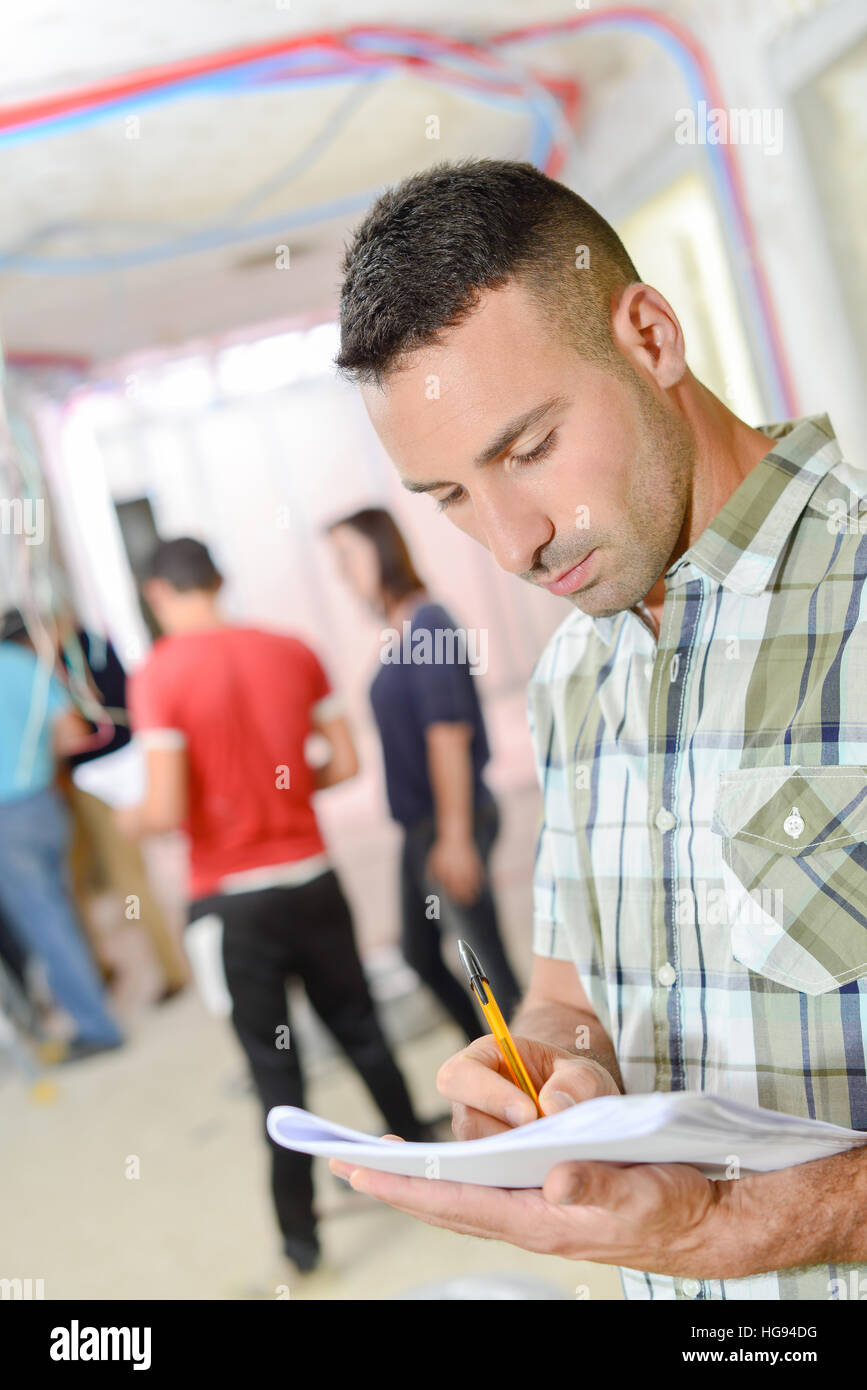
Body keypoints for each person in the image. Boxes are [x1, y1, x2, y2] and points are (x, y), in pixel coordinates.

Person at [326, 158, 867, 1300]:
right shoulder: (579, 672)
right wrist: (545, 1080)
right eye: (451, 499)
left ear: (651, 336)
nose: (511, 540)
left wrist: (752, 1224)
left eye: (525, 450)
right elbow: (572, 999)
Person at [119, 537, 433, 1274]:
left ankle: (301, 1241)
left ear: (158, 594)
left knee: (275, 1072)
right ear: (219, 579)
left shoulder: (158, 675)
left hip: (232, 905)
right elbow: (344, 762)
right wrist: (281, 791)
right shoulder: (291, 649)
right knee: (360, 1028)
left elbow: (163, 808)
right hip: (314, 879)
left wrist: (126, 819)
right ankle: (421, 1168)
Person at [327, 507, 521, 1041]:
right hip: (419, 827)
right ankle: (486, 1060)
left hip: (450, 820)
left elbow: (448, 733)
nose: (341, 570)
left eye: (348, 555)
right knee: (419, 953)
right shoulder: (404, 628)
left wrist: (456, 837)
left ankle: (530, 1084)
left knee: (487, 968)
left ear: (381, 549)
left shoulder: (429, 621)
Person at [0, 609, 125, 1061]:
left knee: (45, 924)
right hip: (47, 802)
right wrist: (31, 759)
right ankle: (93, 1009)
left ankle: (96, 1026)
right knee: (60, 914)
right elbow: (72, 733)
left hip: (7, 821)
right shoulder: (27, 667)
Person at [61, 623, 190, 999]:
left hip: (101, 775)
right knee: (100, 880)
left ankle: (170, 968)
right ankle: (107, 968)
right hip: (111, 769)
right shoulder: (92, 647)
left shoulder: (81, 652)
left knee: (128, 879)